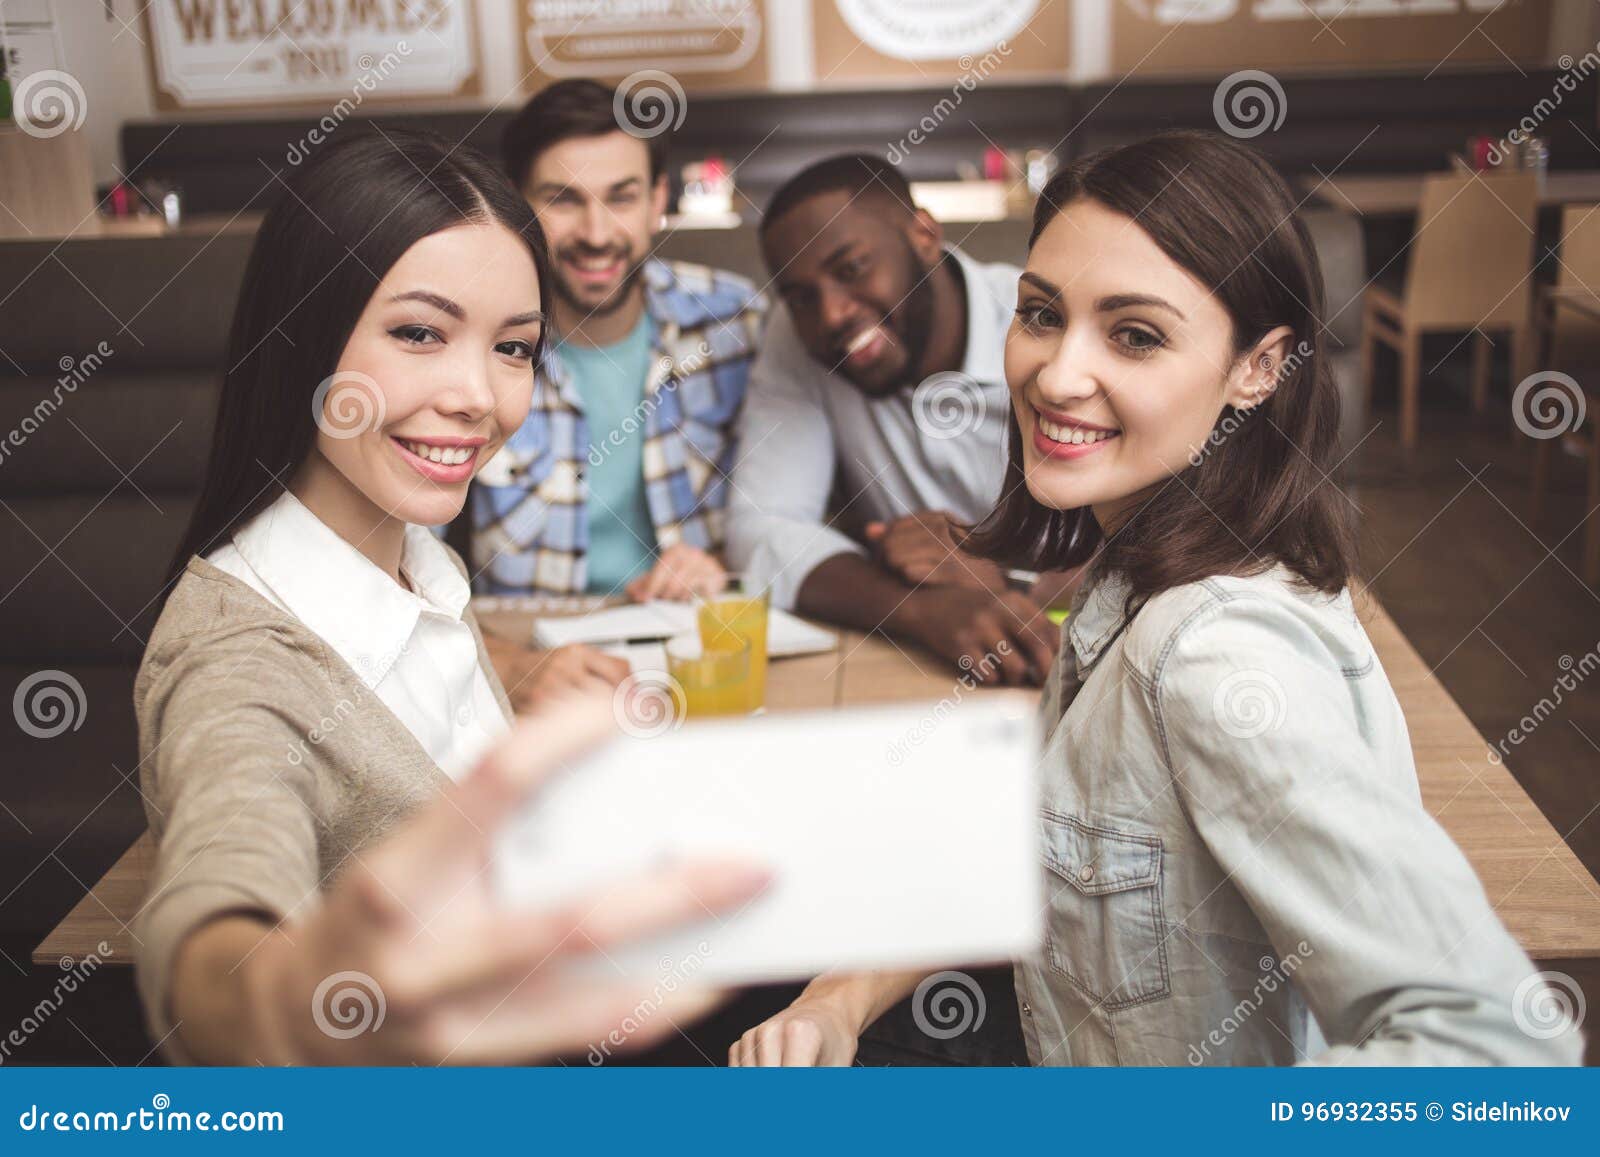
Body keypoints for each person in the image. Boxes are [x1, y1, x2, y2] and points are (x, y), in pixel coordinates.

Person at [730, 130, 1584, 1067]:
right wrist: (837, 1000)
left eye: (1135, 335)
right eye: (1043, 315)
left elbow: (1497, 1050)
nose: (1056, 374)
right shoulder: (1134, 562)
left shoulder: (1217, 658)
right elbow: (1040, 832)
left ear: (1259, 367)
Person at [138, 130, 766, 1065]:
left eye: (514, 347)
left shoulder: (415, 558)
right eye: (418, 333)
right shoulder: (238, 658)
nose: (479, 396)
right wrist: (280, 1007)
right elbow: (220, 886)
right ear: (303, 332)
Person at [469, 79, 769, 710]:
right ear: (515, 205)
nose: (597, 233)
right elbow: (391, 571)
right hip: (522, 654)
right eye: (563, 200)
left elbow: (805, 501)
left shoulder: (737, 322)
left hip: (697, 644)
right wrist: (514, 668)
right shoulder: (466, 341)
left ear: (658, 199)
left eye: (622, 197)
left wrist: (727, 564)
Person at [725, 154, 1075, 687]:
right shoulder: (797, 336)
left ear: (924, 234)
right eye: (800, 297)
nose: (831, 314)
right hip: (933, 668)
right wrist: (920, 611)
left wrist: (1005, 577)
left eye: (851, 269)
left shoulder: (1047, 320)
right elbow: (761, 526)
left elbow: (1178, 513)